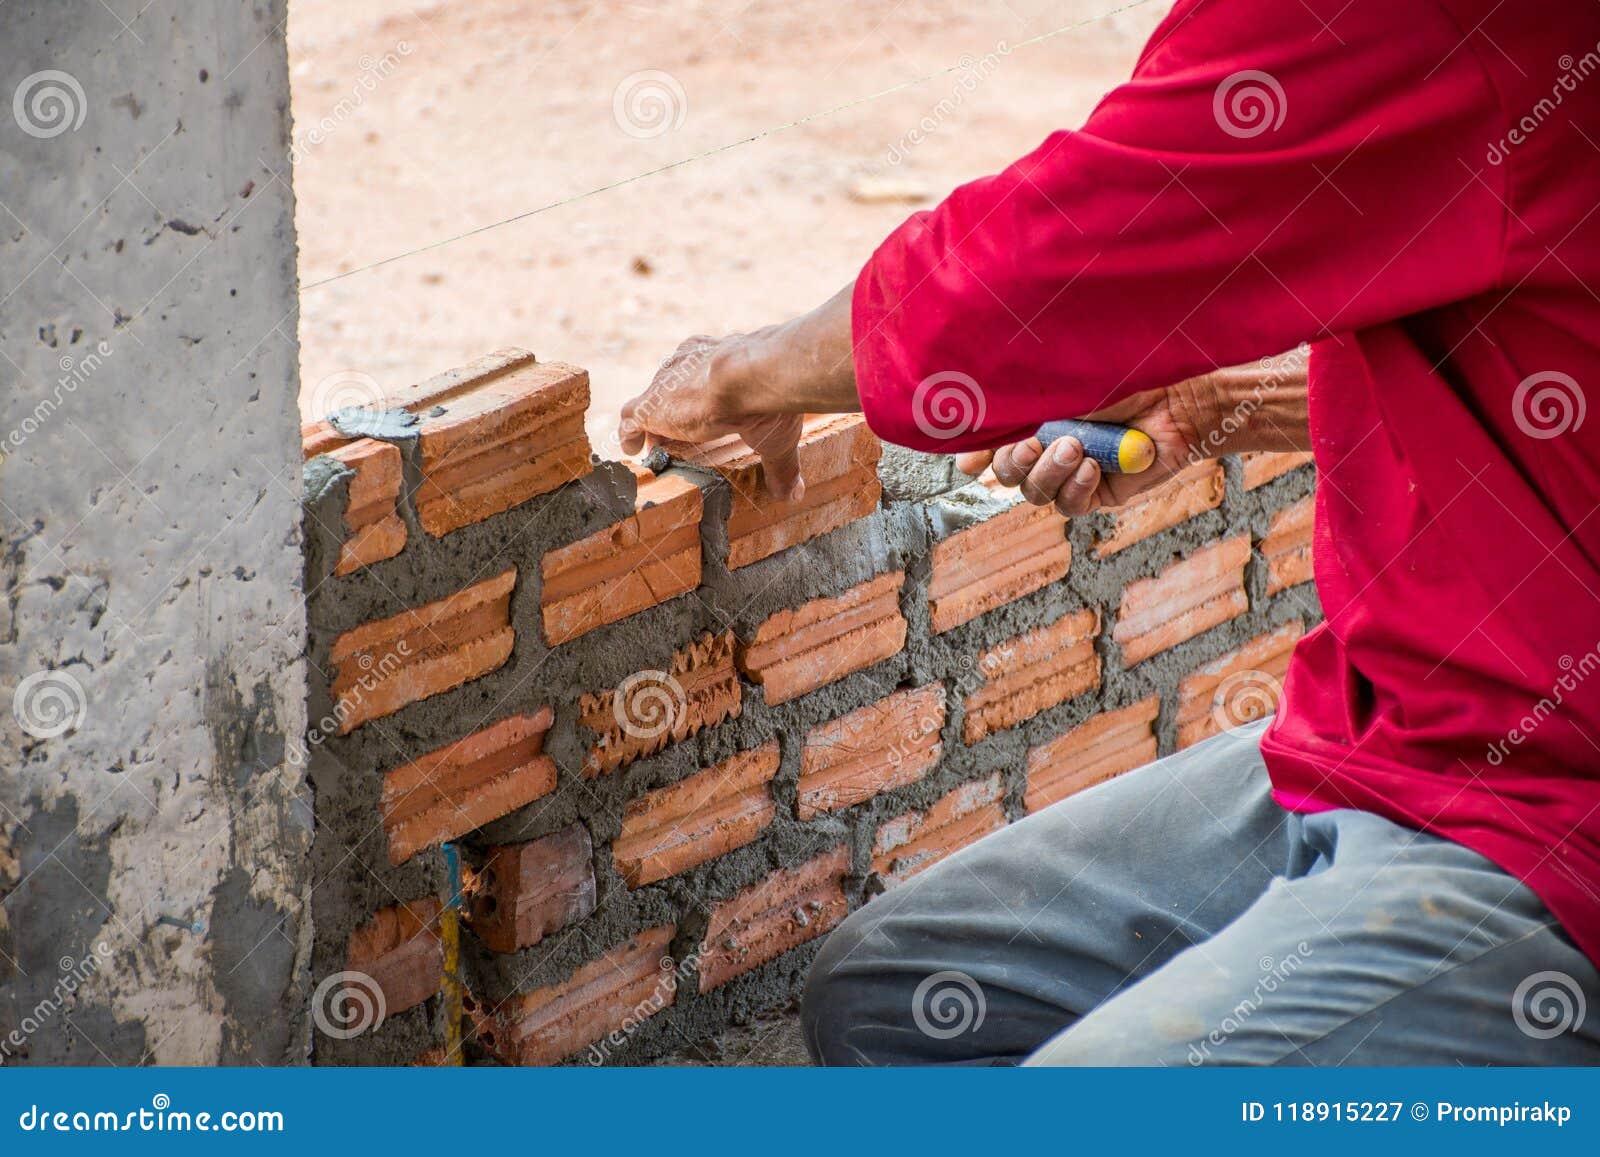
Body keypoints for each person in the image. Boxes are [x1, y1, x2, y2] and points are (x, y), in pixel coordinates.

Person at [618, 0, 1600, 1065]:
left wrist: (743, 372)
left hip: (1545, 805)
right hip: (1405, 728)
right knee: (895, 990)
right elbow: (1512, 320)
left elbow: (1040, 269)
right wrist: (1217, 402)